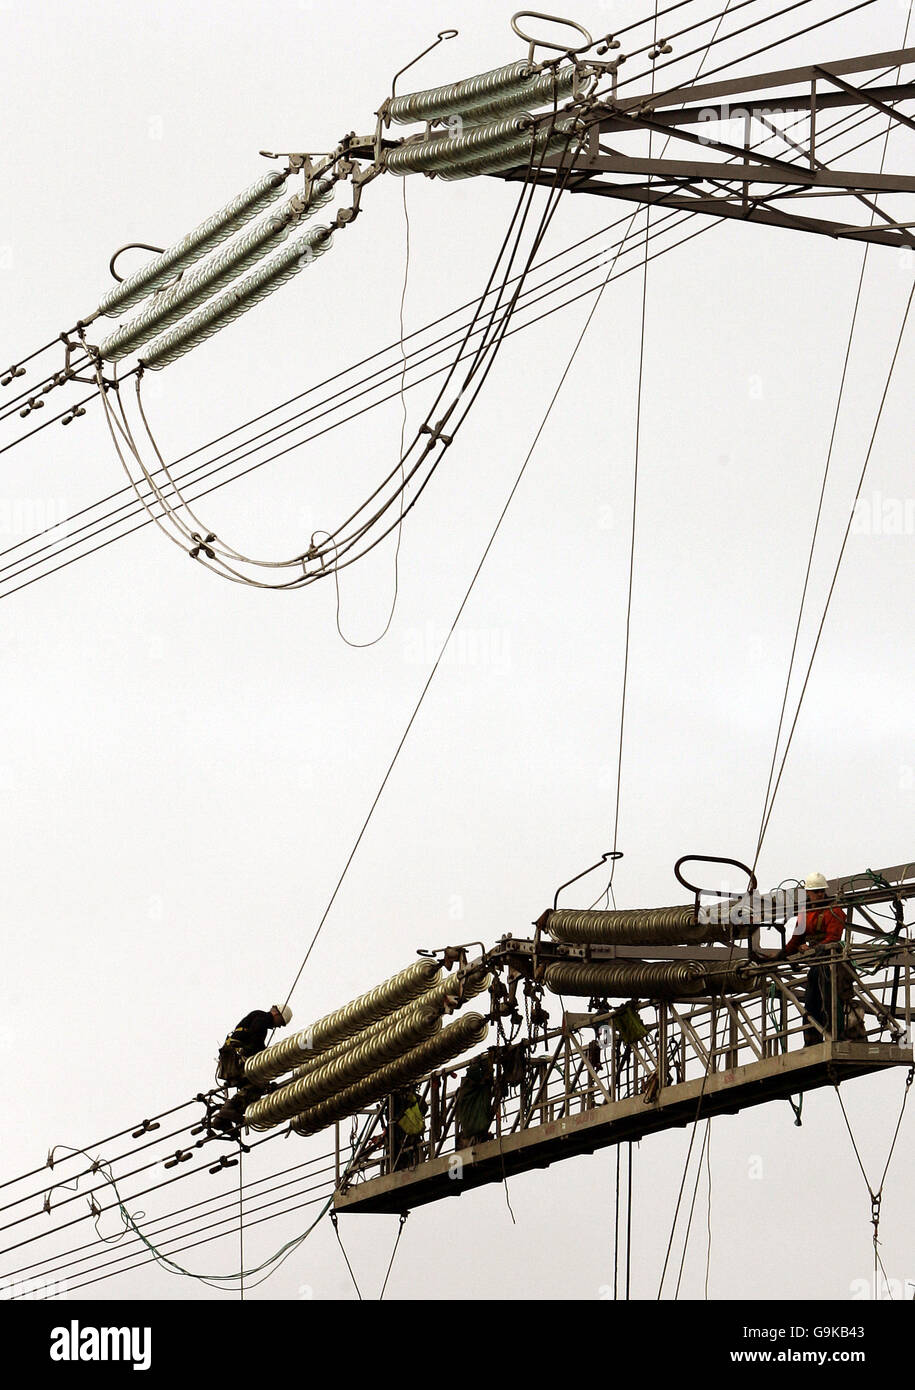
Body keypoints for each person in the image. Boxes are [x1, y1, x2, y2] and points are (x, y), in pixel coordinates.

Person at [785, 872, 848, 1046]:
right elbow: (796, 940)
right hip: (817, 963)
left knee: (830, 998)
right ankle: (811, 1038)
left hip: (832, 962)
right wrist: (783, 954)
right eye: (816, 891)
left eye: (822, 891)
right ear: (808, 893)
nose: (820, 894)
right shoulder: (806, 914)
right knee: (811, 999)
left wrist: (810, 949)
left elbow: (833, 938)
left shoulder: (834, 911)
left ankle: (836, 1034)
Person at [213, 1003, 293, 1134]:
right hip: (236, 1059)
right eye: (281, 1022)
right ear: (276, 1013)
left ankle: (222, 1119)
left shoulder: (257, 1018)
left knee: (252, 1086)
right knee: (258, 1085)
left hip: (230, 1059)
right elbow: (256, 1045)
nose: (278, 1026)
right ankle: (230, 1109)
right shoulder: (262, 1018)